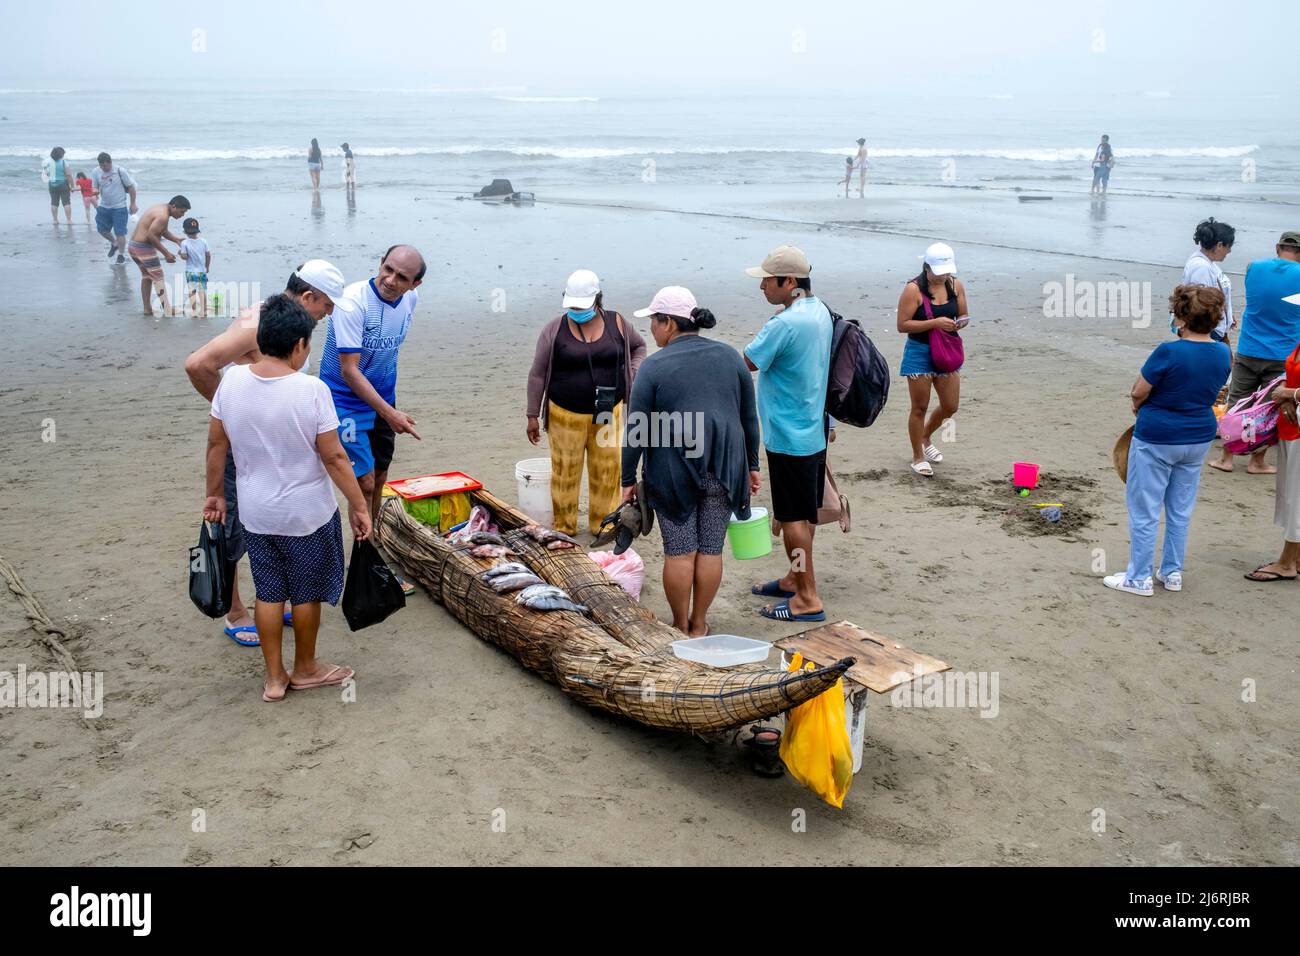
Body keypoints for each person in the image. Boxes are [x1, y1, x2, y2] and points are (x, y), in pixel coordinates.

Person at [203, 294, 371, 703]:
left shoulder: (232, 382)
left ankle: (274, 678)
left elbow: (215, 445)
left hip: (257, 513)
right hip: (306, 515)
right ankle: (307, 669)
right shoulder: (311, 390)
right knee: (306, 593)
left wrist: (213, 496)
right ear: (300, 344)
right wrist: (359, 504)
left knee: (269, 593)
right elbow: (333, 456)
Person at [185, 260, 346, 646]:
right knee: (233, 523)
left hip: (266, 446)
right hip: (241, 447)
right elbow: (198, 364)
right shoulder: (254, 324)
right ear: (308, 296)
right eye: (326, 304)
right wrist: (235, 418)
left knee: (270, 523)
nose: (329, 313)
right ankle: (234, 610)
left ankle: (271, 603)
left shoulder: (285, 323)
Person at [621, 286, 761, 636]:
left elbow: (637, 430)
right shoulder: (730, 357)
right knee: (711, 549)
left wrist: (626, 479)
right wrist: (753, 466)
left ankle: (680, 626)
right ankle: (700, 625)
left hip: (672, 472)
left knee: (681, 552)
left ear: (668, 323)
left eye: (654, 321)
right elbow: (748, 418)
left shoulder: (653, 367)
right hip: (726, 467)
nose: (651, 329)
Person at [1104, 286, 1232, 596]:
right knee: (1180, 508)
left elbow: (1138, 391)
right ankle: (1172, 572)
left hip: (1159, 434)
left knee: (1145, 508)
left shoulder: (1168, 351)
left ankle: (1139, 577)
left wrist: (1138, 405)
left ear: (1182, 317)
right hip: (1198, 434)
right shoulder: (1223, 352)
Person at [743, 245, 832, 623]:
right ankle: (794, 579)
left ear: (790, 282)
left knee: (793, 519)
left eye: (767, 279)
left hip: (788, 435)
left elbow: (746, 362)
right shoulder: (819, 311)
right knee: (804, 515)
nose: (762, 286)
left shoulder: (784, 324)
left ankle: (807, 599)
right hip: (814, 427)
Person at [526, 269, 647, 537]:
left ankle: (602, 524)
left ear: (597, 300)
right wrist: (532, 414)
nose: (576, 311)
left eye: (582, 306)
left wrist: (633, 371)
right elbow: (537, 373)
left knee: (607, 470)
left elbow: (639, 347)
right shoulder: (554, 329)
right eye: (572, 306)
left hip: (607, 412)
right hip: (564, 414)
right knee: (565, 473)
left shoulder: (617, 323)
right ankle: (565, 527)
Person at [319, 245, 425, 523]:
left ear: (415, 284)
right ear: (380, 263)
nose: (390, 280)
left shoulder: (410, 300)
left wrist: (387, 409)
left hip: (383, 398)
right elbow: (349, 372)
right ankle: (363, 556)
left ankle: (373, 541)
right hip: (344, 402)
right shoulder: (352, 302)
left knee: (380, 476)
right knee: (363, 482)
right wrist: (390, 414)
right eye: (387, 269)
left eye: (402, 277)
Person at [1210, 231, 1300, 474]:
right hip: (1282, 353)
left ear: (1277, 247)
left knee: (1237, 402)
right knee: (1269, 409)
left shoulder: (1253, 267)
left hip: (1249, 347)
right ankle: (1256, 462)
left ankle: (1226, 459)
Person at [897, 241, 969, 476]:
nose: (943, 277)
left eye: (947, 272)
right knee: (919, 407)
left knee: (950, 406)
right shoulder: (913, 290)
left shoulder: (955, 285)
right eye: (938, 273)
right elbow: (903, 325)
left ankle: (926, 437)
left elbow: (963, 314)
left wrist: (961, 322)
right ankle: (918, 456)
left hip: (946, 352)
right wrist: (935, 323)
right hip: (919, 352)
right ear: (926, 268)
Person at [1244, 343, 1300, 582]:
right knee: (1290, 492)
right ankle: (1295, 558)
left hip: (1295, 426)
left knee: (1296, 495)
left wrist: (1291, 394)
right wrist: (1285, 390)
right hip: (1291, 425)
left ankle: (1287, 562)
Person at [127, 196, 191, 316]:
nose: (182, 215)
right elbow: (152, 235)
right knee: (158, 277)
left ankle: (147, 309)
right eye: (182, 211)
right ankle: (166, 308)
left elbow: (161, 231)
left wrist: (175, 239)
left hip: (133, 246)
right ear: (174, 206)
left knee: (147, 276)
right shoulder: (163, 216)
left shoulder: (161, 208)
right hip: (143, 247)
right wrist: (166, 253)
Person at [1178, 217, 1235, 344]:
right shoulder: (1201, 267)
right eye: (1229, 247)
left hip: (1213, 331)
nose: (1229, 251)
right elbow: (1201, 306)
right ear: (1219, 245)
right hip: (1207, 334)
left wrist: (1228, 316)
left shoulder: (1208, 263)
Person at [90, 152, 137, 263]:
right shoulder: (96, 172)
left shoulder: (120, 171)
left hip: (119, 207)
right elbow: (95, 186)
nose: (104, 168)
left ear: (110, 162)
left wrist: (133, 203)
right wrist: (95, 192)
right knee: (101, 229)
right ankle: (114, 242)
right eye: (102, 166)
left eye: (106, 165)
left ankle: (121, 254)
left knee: (119, 232)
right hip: (104, 206)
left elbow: (131, 188)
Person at [178, 217, 211, 318]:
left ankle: (194, 311)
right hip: (201, 271)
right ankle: (204, 310)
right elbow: (208, 255)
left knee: (192, 291)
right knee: (202, 291)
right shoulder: (204, 241)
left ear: (185, 231)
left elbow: (185, 257)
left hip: (190, 271)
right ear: (197, 230)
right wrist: (207, 267)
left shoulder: (184, 243)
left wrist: (180, 253)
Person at [42, 147, 73, 225]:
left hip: (52, 185)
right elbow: (68, 175)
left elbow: (46, 174)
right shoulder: (64, 162)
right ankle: (69, 220)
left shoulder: (48, 162)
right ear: (61, 154)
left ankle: (55, 220)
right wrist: (72, 186)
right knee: (66, 202)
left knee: (54, 202)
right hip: (63, 184)